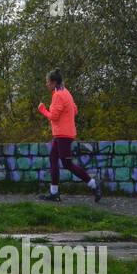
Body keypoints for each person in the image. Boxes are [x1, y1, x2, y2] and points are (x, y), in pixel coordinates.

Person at [36, 69, 100, 203]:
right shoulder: (66, 92)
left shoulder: (58, 95)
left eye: (47, 82)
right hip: (63, 133)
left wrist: (43, 110)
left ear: (53, 82)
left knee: (68, 164)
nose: (46, 85)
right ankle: (54, 193)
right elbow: (75, 110)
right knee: (53, 159)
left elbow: (53, 116)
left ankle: (93, 184)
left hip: (63, 134)